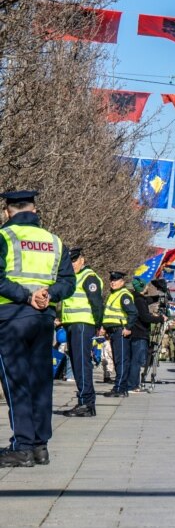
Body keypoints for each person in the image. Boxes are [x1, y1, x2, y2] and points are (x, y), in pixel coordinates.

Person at [0, 190, 76, 467]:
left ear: (7, 210)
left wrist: (25, 296)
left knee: (16, 382)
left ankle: (22, 446)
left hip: (11, 317)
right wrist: (49, 294)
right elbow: (69, 283)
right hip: (44, 319)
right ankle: (39, 445)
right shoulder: (55, 241)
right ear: (34, 209)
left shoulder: (4, 237)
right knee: (40, 382)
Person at [60, 247, 104, 417]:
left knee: (81, 363)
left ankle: (86, 402)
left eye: (74, 260)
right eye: (69, 261)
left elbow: (96, 303)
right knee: (77, 363)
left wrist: (98, 324)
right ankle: (85, 401)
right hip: (72, 324)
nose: (72, 264)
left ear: (82, 260)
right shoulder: (72, 278)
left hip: (83, 324)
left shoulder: (89, 277)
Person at [102, 271, 137, 398]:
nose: (112, 282)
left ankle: (120, 388)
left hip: (121, 331)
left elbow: (133, 313)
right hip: (113, 331)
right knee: (118, 360)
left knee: (121, 360)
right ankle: (119, 386)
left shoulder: (124, 295)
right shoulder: (112, 295)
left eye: (115, 280)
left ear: (122, 282)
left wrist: (128, 327)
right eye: (111, 280)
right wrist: (104, 328)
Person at [127, 278, 164, 392]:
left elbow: (147, 300)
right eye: (146, 286)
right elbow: (145, 317)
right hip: (139, 333)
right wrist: (159, 318)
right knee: (136, 360)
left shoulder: (136, 298)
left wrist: (160, 297)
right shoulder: (139, 300)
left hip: (136, 333)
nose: (148, 287)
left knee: (134, 360)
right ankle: (133, 385)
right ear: (142, 287)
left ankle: (132, 384)